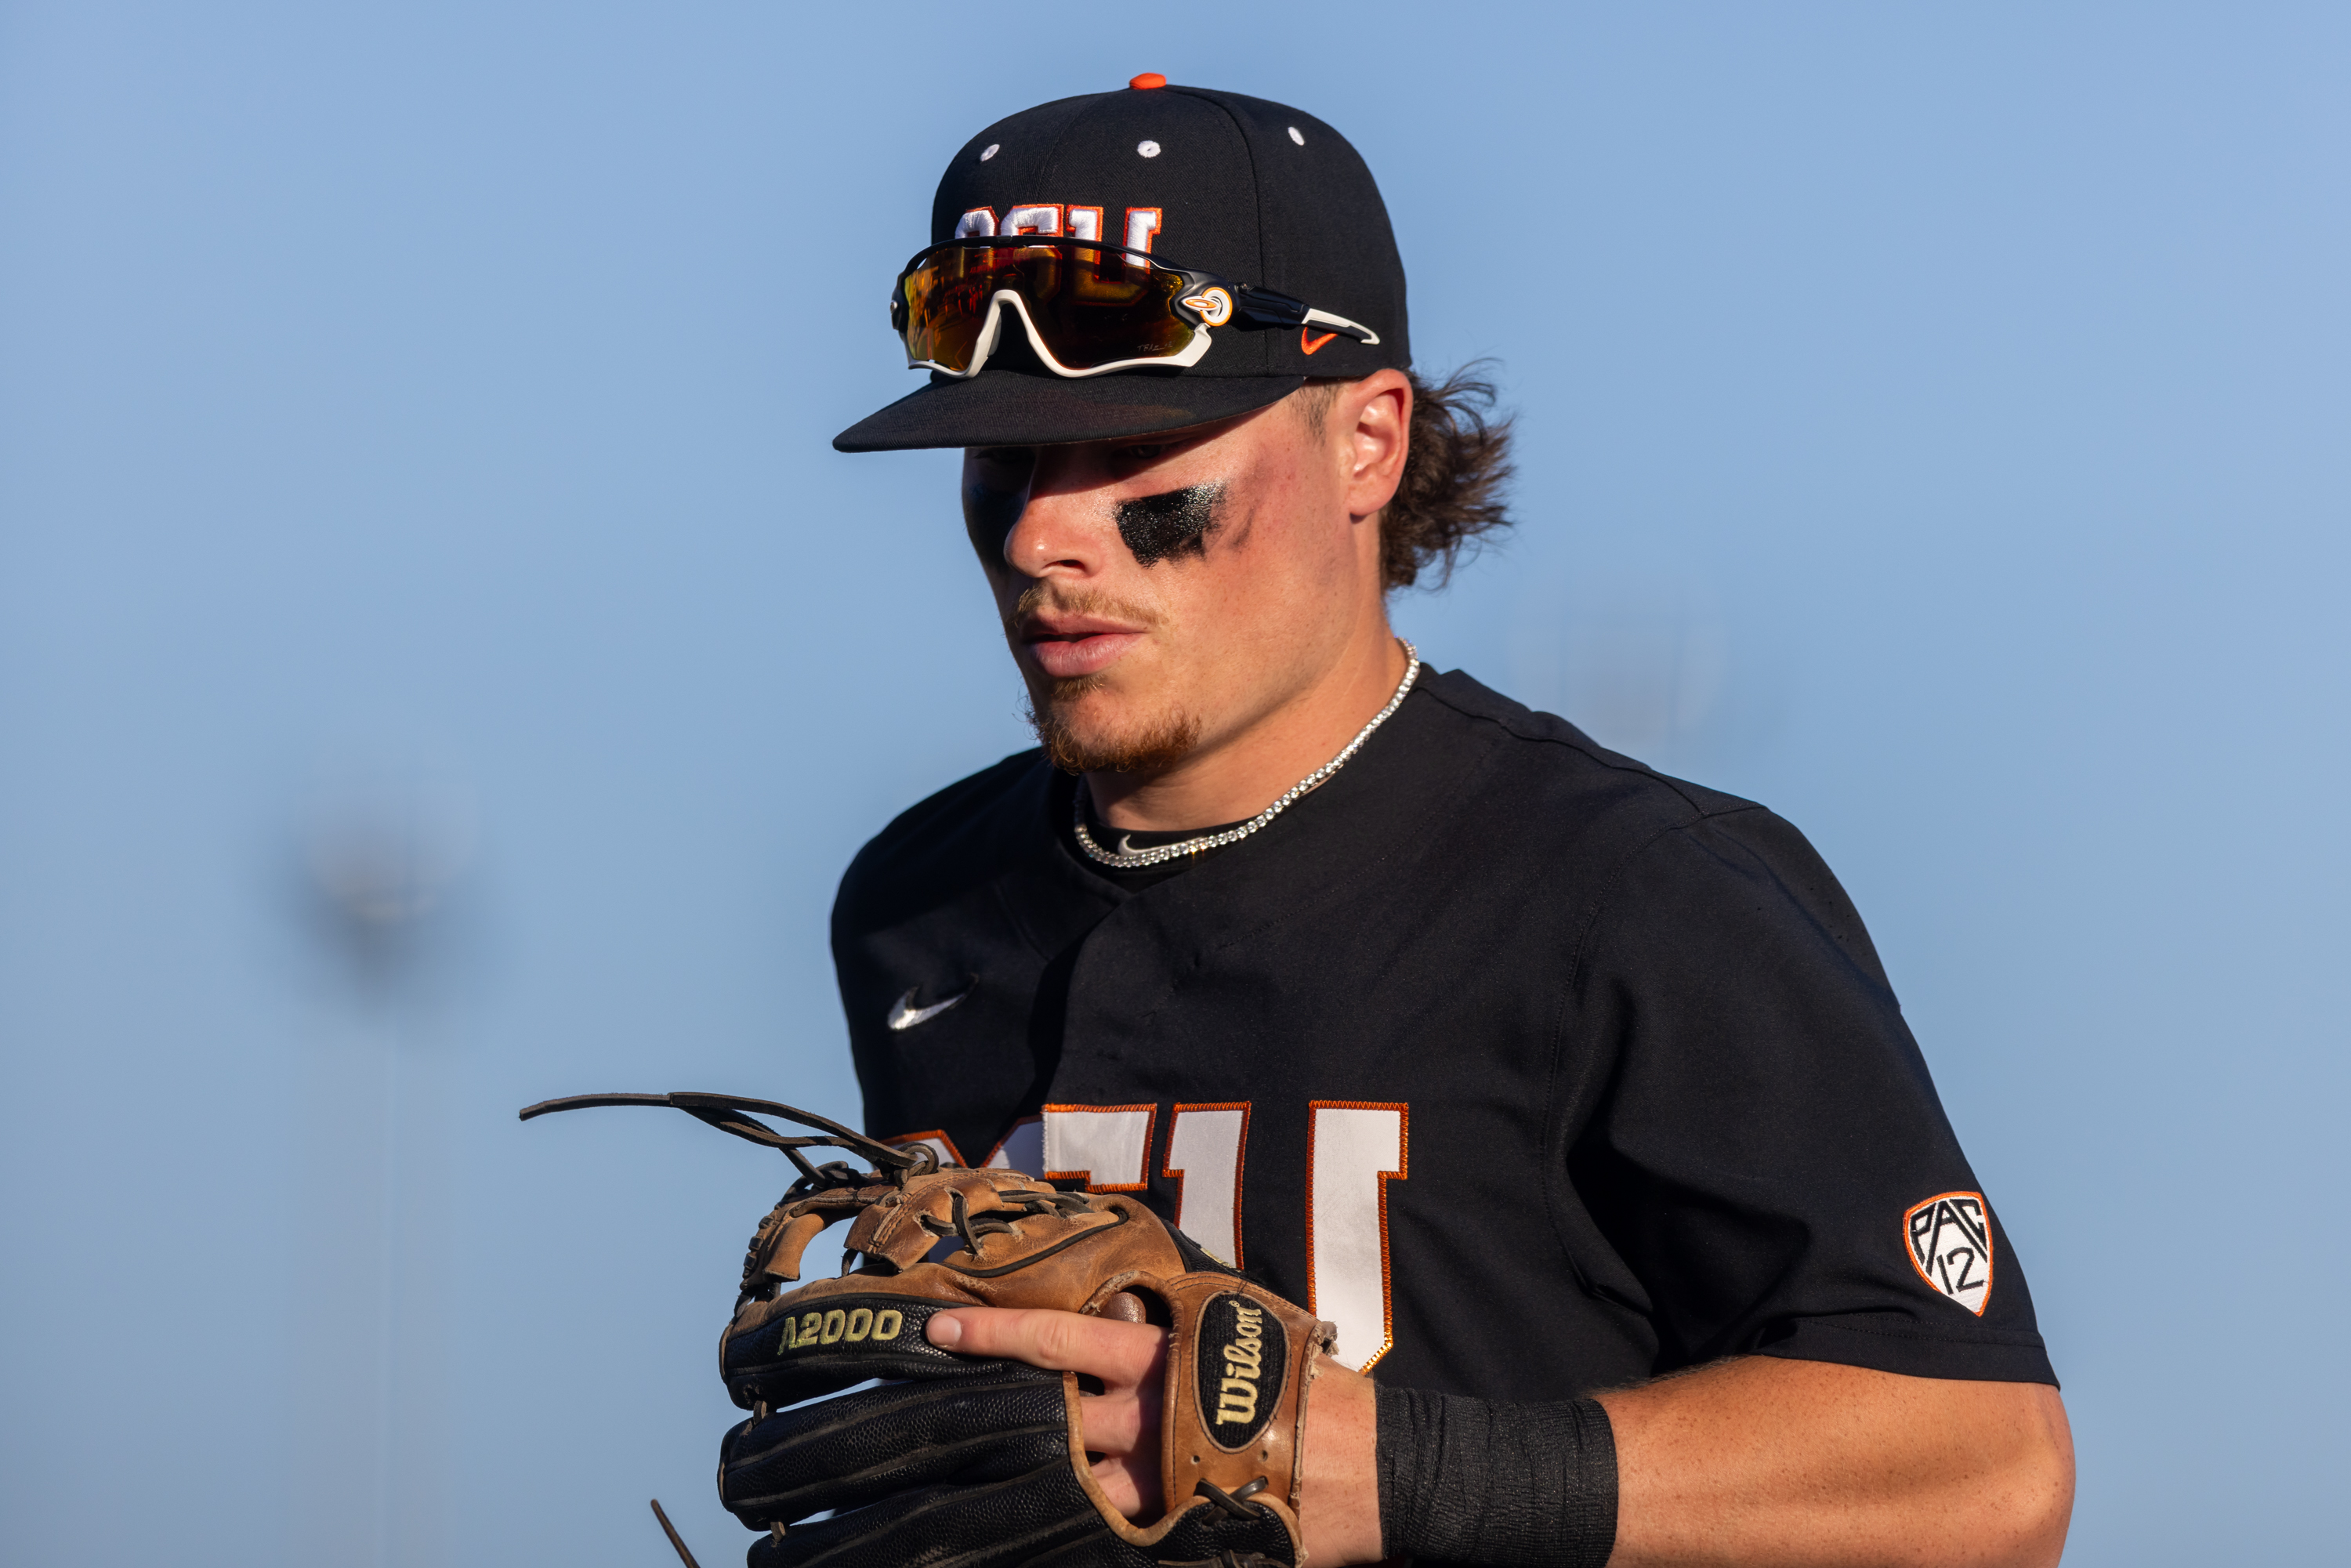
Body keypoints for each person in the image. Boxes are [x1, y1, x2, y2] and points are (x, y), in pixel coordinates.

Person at [817, 78, 2073, 1567]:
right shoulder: (917, 905)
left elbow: (1989, 1472)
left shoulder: (1630, 890)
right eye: (1005, 452)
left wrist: (1395, 1470)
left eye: (1131, 446)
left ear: (1369, 440)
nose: (1042, 530)